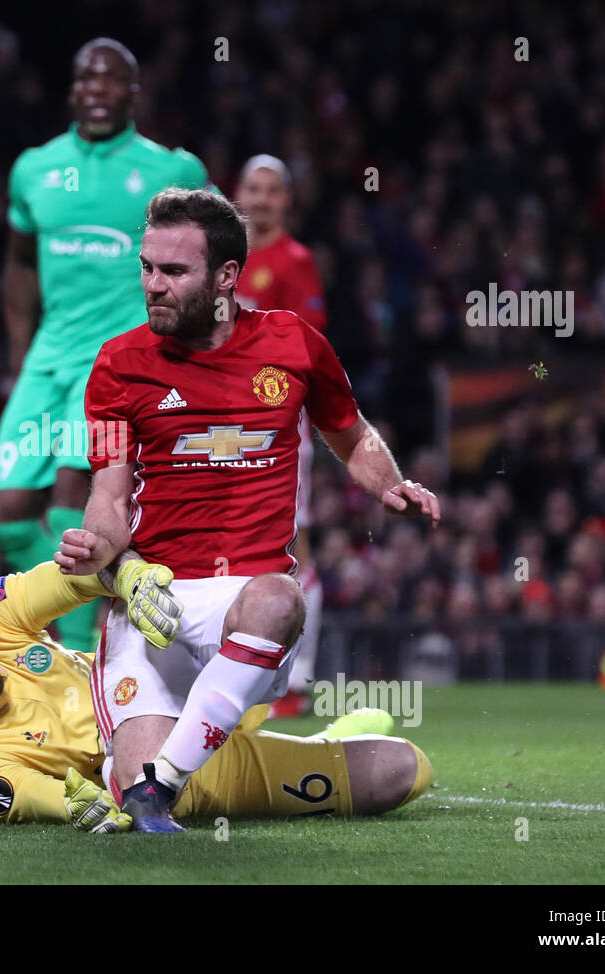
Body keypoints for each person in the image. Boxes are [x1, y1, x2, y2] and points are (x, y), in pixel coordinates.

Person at [59, 188, 441, 831]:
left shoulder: (294, 344)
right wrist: (98, 545)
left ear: (226, 276)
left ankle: (161, 782)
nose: (153, 285)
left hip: (245, 605)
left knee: (279, 597)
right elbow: (110, 495)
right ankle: (207, 761)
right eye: (147, 267)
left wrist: (389, 486)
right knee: (150, 797)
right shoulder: (119, 364)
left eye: (174, 271)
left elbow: (352, 434)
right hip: (154, 602)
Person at [0, 557, 432, 830]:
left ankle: (278, 705)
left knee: (255, 607)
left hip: (160, 676)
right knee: (404, 772)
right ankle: (325, 739)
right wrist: (75, 806)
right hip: (185, 780)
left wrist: (126, 577)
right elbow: (43, 797)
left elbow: (71, 576)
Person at [0, 37, 214, 653]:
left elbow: (217, 247)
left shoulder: (172, 171)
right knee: (8, 512)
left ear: (133, 94)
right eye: (86, 78)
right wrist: (20, 351)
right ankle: (113, 591)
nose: (97, 89)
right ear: (72, 90)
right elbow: (19, 262)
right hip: (49, 358)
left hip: (118, 361)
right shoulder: (33, 169)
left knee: (72, 497)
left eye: (111, 79)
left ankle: (83, 654)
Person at [234, 154, 328, 717]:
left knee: (293, 542)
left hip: (279, 419)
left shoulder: (294, 261)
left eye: (271, 190)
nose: (261, 199)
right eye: (253, 188)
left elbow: (308, 344)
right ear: (236, 194)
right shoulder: (219, 257)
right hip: (221, 418)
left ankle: (297, 679)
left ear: (286, 200)